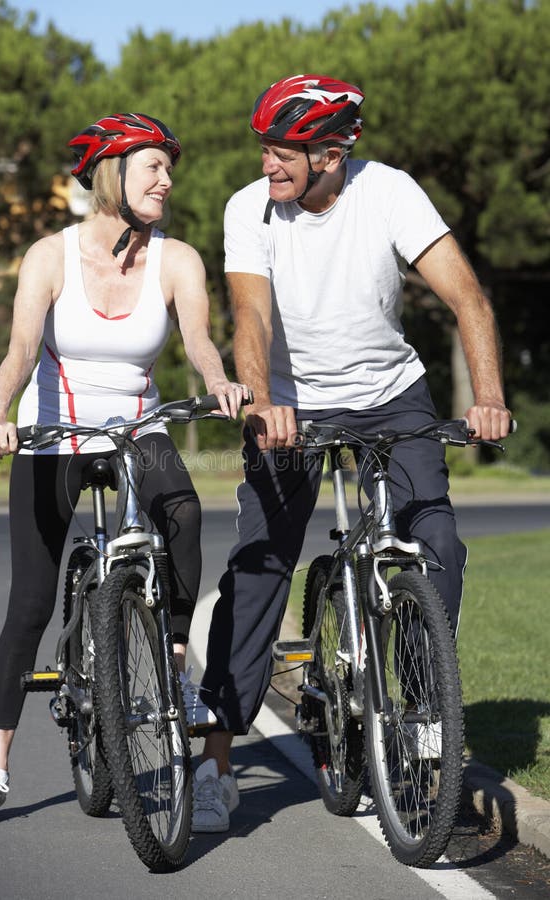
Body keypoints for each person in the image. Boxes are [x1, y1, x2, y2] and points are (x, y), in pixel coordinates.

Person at [190, 74, 512, 833]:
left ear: (332, 154)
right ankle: (216, 765)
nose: (269, 166)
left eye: (283, 154)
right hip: (289, 406)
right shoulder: (250, 208)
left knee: (437, 543)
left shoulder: (390, 193)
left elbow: (468, 296)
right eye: (264, 151)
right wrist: (264, 399)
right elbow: (250, 313)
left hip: (391, 397)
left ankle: (423, 724)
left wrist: (490, 396)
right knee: (262, 563)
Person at [0, 112, 248, 827]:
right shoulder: (48, 257)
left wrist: (221, 381)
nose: (168, 179)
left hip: (136, 427)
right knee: (29, 602)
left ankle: (174, 672)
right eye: (154, 166)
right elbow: (22, 349)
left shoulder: (176, 259)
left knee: (182, 514)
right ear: (112, 173)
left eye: (169, 168)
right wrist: (0, 414)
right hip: (56, 433)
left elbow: (201, 342)